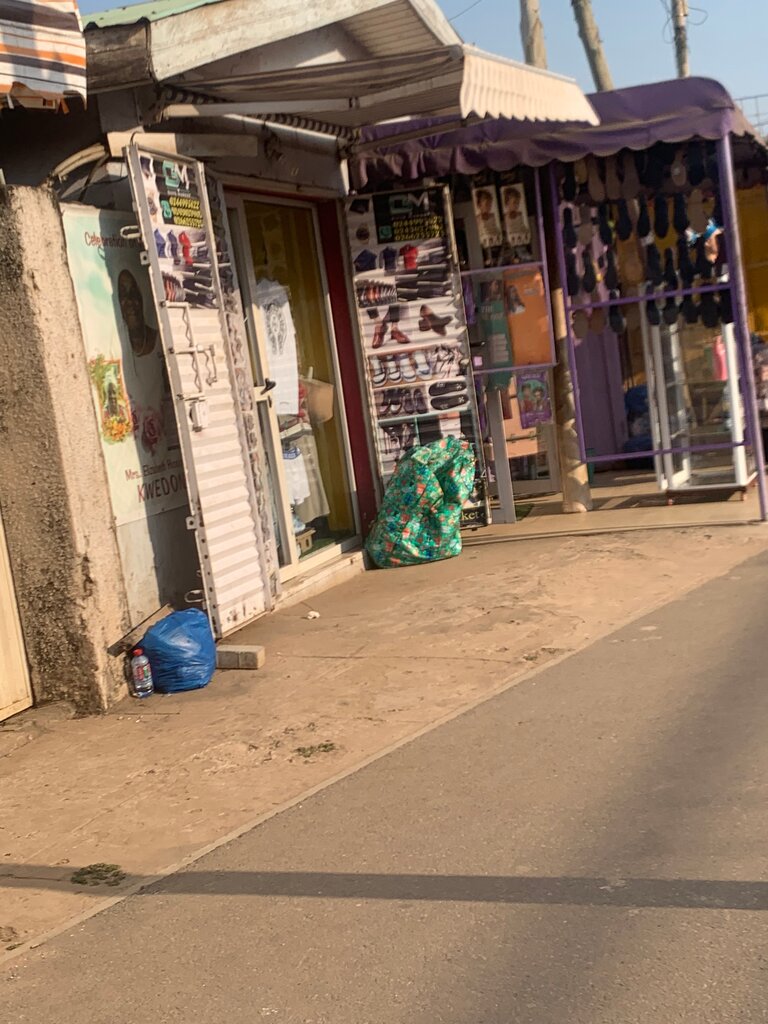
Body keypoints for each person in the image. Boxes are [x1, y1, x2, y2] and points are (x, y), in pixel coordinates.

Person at [118, 269, 158, 357]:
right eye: (123, 294)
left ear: (140, 298)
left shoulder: (152, 338)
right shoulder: (120, 340)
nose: (129, 301)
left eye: (133, 293)